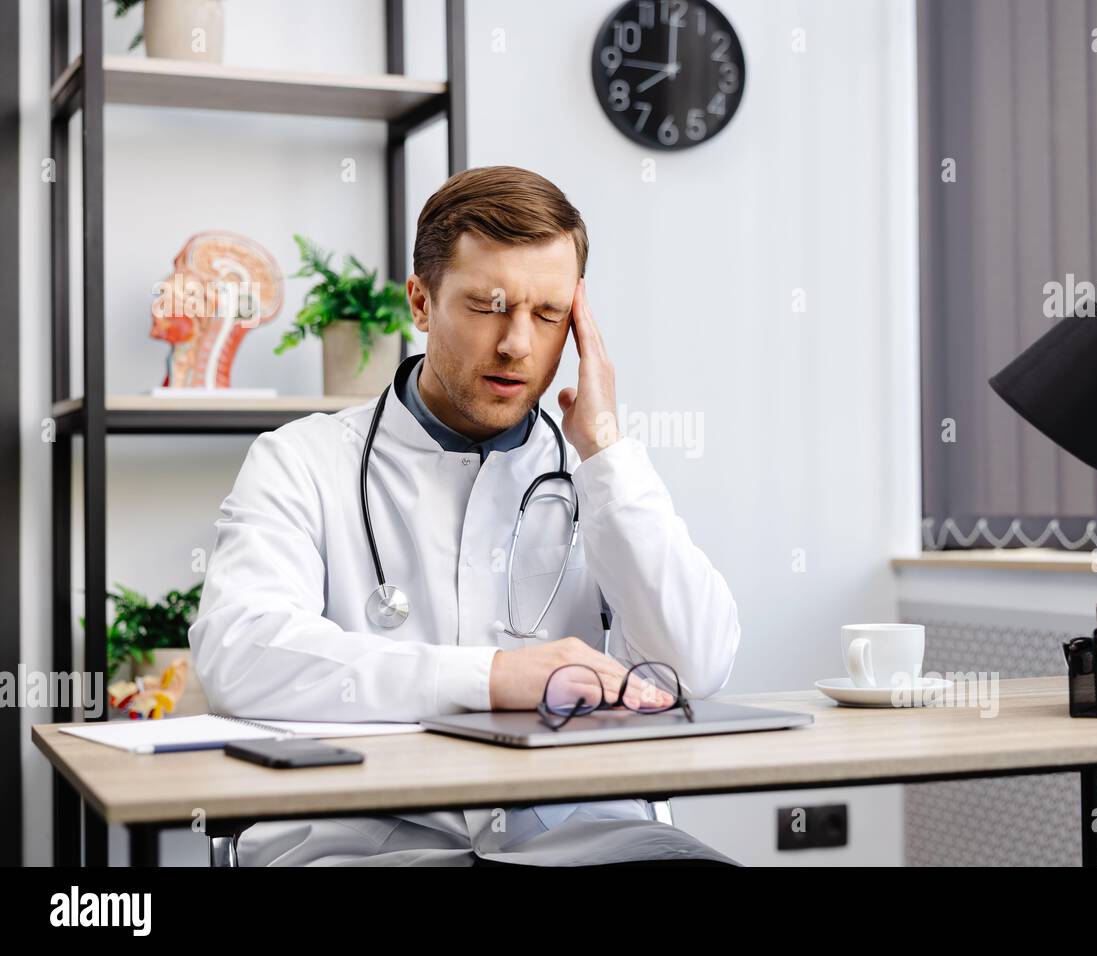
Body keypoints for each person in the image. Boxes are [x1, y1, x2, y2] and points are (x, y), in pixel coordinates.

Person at [188, 165, 742, 866]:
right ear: (421, 303)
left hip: (578, 835)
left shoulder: (595, 474)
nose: (517, 344)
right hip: (364, 837)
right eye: (488, 306)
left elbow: (695, 665)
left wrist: (606, 452)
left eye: (547, 316)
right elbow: (241, 651)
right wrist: (491, 677)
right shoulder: (300, 460)